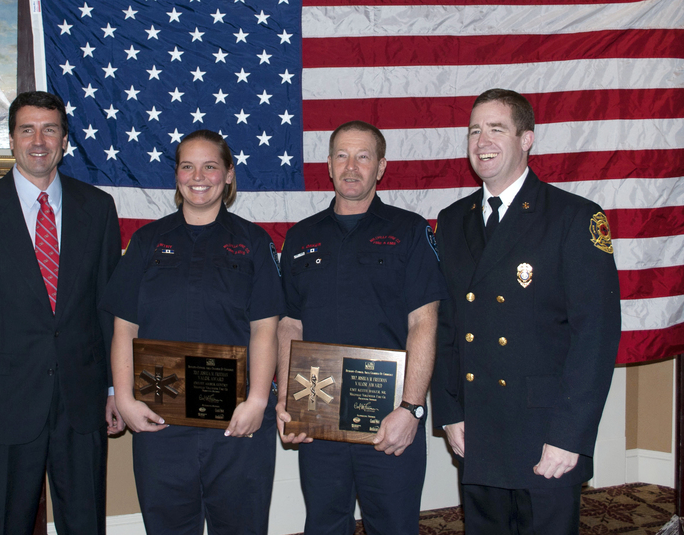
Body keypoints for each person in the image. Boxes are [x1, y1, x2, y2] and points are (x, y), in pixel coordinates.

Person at [431, 88, 621, 534]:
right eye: (474, 130)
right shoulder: (452, 220)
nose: (482, 141)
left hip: (544, 432)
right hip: (478, 426)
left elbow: (596, 335)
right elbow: (446, 326)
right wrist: (450, 412)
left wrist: (570, 436)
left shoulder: (574, 217)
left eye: (496, 129)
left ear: (527, 139)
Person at [0, 91, 124, 534]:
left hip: (82, 404)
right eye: (27, 129)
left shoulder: (97, 208)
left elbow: (109, 308)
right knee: (5, 523)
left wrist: (117, 387)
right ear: (10, 139)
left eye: (50, 129)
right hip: (3, 407)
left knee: (85, 523)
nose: (38, 140)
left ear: (64, 141)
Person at [102, 129, 283, 534]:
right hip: (160, 420)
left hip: (236, 421)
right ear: (177, 175)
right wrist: (126, 399)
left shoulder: (254, 242)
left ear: (229, 175)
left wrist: (256, 401)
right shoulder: (148, 241)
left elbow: (265, 330)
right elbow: (123, 328)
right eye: (187, 166)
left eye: (210, 166)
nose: (198, 176)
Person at [276, 121, 448, 535]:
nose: (351, 167)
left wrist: (411, 409)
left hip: (388, 417)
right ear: (330, 166)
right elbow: (289, 324)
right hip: (317, 416)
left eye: (363, 156)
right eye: (341, 156)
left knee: (393, 526)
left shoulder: (409, 230)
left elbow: (424, 321)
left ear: (381, 167)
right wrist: (287, 401)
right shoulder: (301, 236)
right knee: (323, 524)